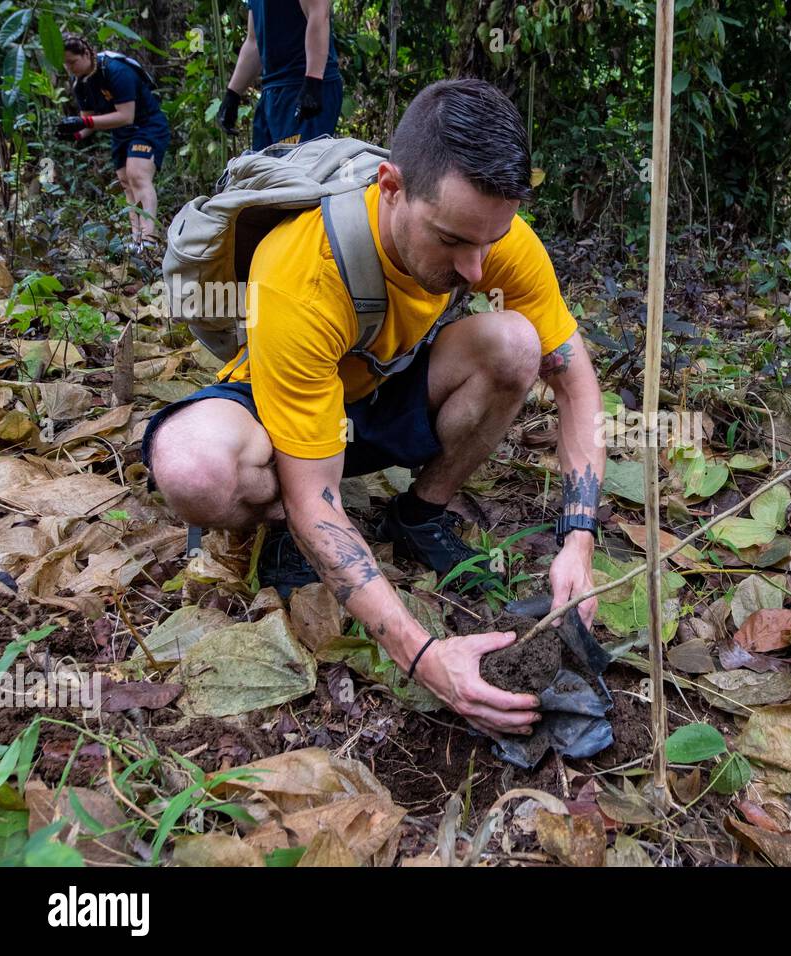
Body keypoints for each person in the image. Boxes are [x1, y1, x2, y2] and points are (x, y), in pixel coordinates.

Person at [142, 80, 606, 738]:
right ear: (391, 187)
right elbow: (315, 497)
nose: (477, 269)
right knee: (194, 466)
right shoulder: (301, 269)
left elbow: (578, 382)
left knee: (515, 343)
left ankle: (419, 513)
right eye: (451, 240)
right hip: (286, 408)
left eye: (489, 241)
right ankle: (263, 531)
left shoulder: (490, 236)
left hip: (383, 389)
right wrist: (423, 656)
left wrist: (578, 542)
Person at [58, 34, 171, 254]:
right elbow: (89, 120)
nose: (69, 68)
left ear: (86, 54)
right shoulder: (80, 83)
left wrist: (84, 122)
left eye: (72, 62)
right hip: (120, 133)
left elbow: (126, 116)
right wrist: (76, 134)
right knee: (126, 182)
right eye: (65, 63)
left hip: (146, 126)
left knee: (137, 175)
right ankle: (136, 239)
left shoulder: (115, 70)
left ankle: (150, 239)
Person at [216, 0, 344, 150]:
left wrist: (313, 82)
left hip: (303, 85)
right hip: (272, 92)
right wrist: (233, 95)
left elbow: (319, 14)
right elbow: (254, 42)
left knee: (297, 168)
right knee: (264, 170)